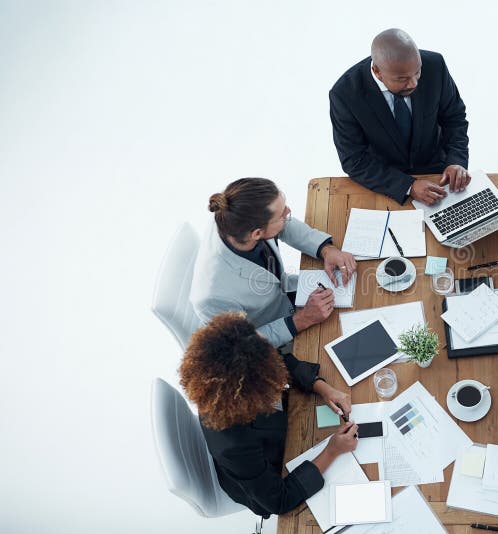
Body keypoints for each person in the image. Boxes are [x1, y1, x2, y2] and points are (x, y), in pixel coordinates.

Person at [180, 312, 358, 518]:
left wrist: (322, 387)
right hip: (269, 473)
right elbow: (279, 501)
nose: (276, 380)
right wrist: (332, 451)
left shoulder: (243, 358)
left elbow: (280, 363)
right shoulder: (233, 446)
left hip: (280, 430)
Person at [190, 177, 357, 349]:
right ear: (256, 234)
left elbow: (284, 225)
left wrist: (326, 250)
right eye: (282, 214)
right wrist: (303, 319)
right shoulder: (212, 297)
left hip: (289, 295)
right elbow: (244, 346)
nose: (288, 212)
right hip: (277, 336)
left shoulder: (232, 214)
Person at [329, 28, 470, 206]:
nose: (414, 83)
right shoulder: (345, 94)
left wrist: (456, 161)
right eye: (402, 78)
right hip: (385, 181)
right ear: (377, 71)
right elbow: (354, 160)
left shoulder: (435, 65)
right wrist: (408, 186)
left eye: (417, 72)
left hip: (438, 172)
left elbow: (454, 118)